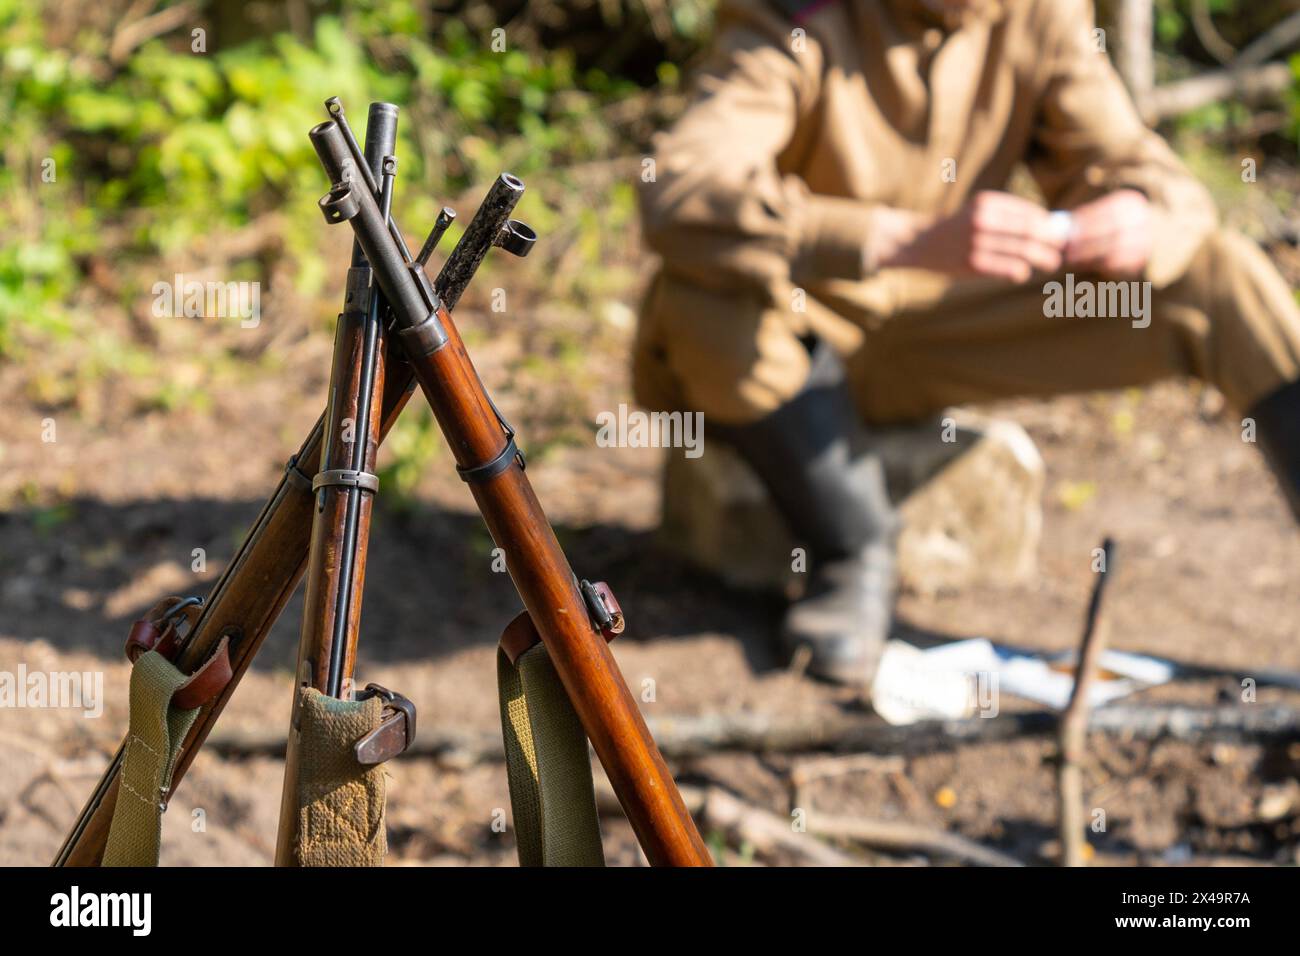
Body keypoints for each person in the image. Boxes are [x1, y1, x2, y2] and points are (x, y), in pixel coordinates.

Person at [633, 0, 1300, 686]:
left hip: (946, 329)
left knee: (1223, 277)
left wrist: (1141, 213)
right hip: (795, 326)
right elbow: (679, 190)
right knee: (703, 296)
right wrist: (897, 238)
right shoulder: (791, 16)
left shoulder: (1040, 15)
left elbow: (1154, 180)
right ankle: (852, 547)